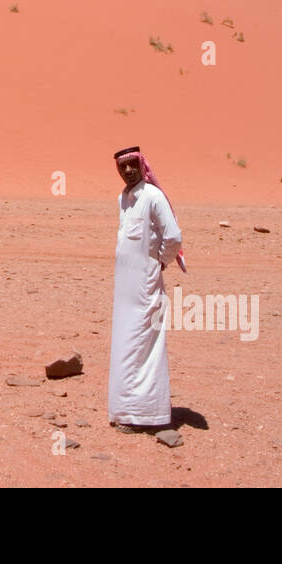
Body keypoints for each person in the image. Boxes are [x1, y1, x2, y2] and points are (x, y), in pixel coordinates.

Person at [108, 146, 184, 433]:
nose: (128, 171)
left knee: (143, 347)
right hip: (125, 289)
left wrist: (159, 264)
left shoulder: (153, 196)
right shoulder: (123, 198)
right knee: (126, 346)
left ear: (141, 165)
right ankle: (125, 410)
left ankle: (145, 415)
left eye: (132, 165)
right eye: (122, 166)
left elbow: (173, 237)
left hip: (145, 287)